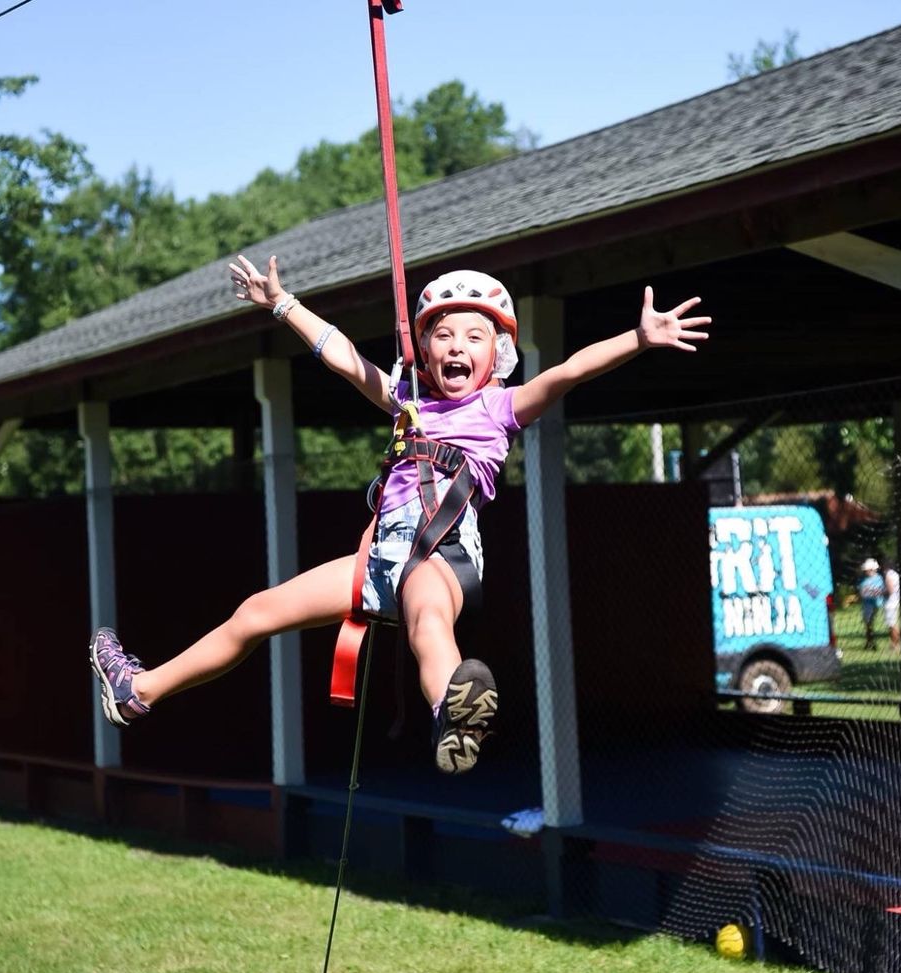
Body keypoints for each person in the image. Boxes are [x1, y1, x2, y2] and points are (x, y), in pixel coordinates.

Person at [89, 255, 710, 774]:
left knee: (427, 620)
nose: (457, 346)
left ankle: (452, 717)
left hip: (440, 559)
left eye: (474, 337)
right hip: (378, 562)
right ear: (424, 351)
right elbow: (344, 358)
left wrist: (637, 338)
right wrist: (282, 304)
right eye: (443, 335)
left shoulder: (499, 410)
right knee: (256, 612)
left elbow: (569, 372)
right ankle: (138, 691)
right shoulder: (406, 403)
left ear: (498, 354)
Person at [857, 557, 885, 651]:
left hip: (874, 604)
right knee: (867, 624)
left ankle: (871, 642)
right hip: (865, 604)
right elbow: (861, 591)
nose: (866, 571)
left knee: (869, 623)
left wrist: (869, 591)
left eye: (868, 570)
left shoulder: (878, 579)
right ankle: (869, 642)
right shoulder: (863, 580)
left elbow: (879, 591)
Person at [882, 561, 901, 651]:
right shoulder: (895, 574)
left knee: (892, 625)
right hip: (896, 600)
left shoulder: (888, 575)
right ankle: (895, 644)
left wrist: (879, 591)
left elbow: (890, 590)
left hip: (890, 603)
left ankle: (895, 645)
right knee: (893, 623)